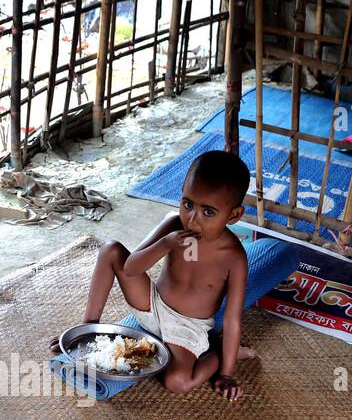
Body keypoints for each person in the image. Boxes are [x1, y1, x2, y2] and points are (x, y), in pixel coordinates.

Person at [69, 150, 256, 401]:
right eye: (188, 204)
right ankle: (87, 325)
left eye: (208, 212)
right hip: (152, 304)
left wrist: (227, 373)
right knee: (111, 250)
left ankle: (220, 351)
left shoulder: (233, 257)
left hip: (189, 327)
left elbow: (232, 318)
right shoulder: (173, 225)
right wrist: (165, 244)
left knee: (176, 381)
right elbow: (131, 268)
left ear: (234, 215)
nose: (192, 219)